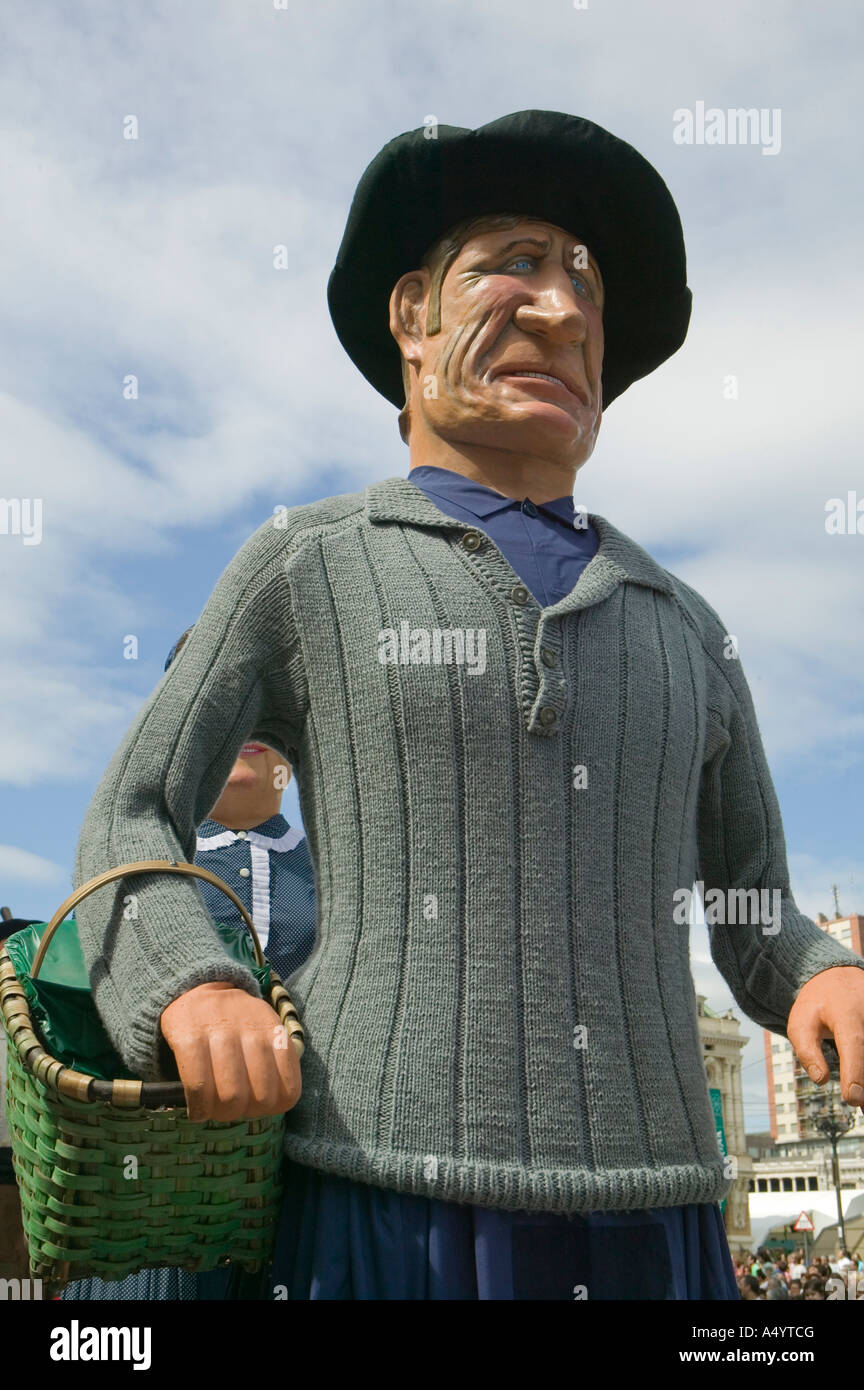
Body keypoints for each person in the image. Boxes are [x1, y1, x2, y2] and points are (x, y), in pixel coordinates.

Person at [71, 110, 864, 1301]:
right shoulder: (304, 567)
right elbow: (131, 817)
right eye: (516, 264)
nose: (564, 308)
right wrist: (189, 979)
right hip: (376, 1209)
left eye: (586, 282)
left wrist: (815, 973)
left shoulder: (692, 630)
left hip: (663, 1224)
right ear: (412, 316)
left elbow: (752, 912)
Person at [62, 629, 317, 1300]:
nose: (238, 719)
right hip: (152, 1188)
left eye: (260, 696)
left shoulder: (346, 873)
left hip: (306, 1186)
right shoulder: (123, 871)